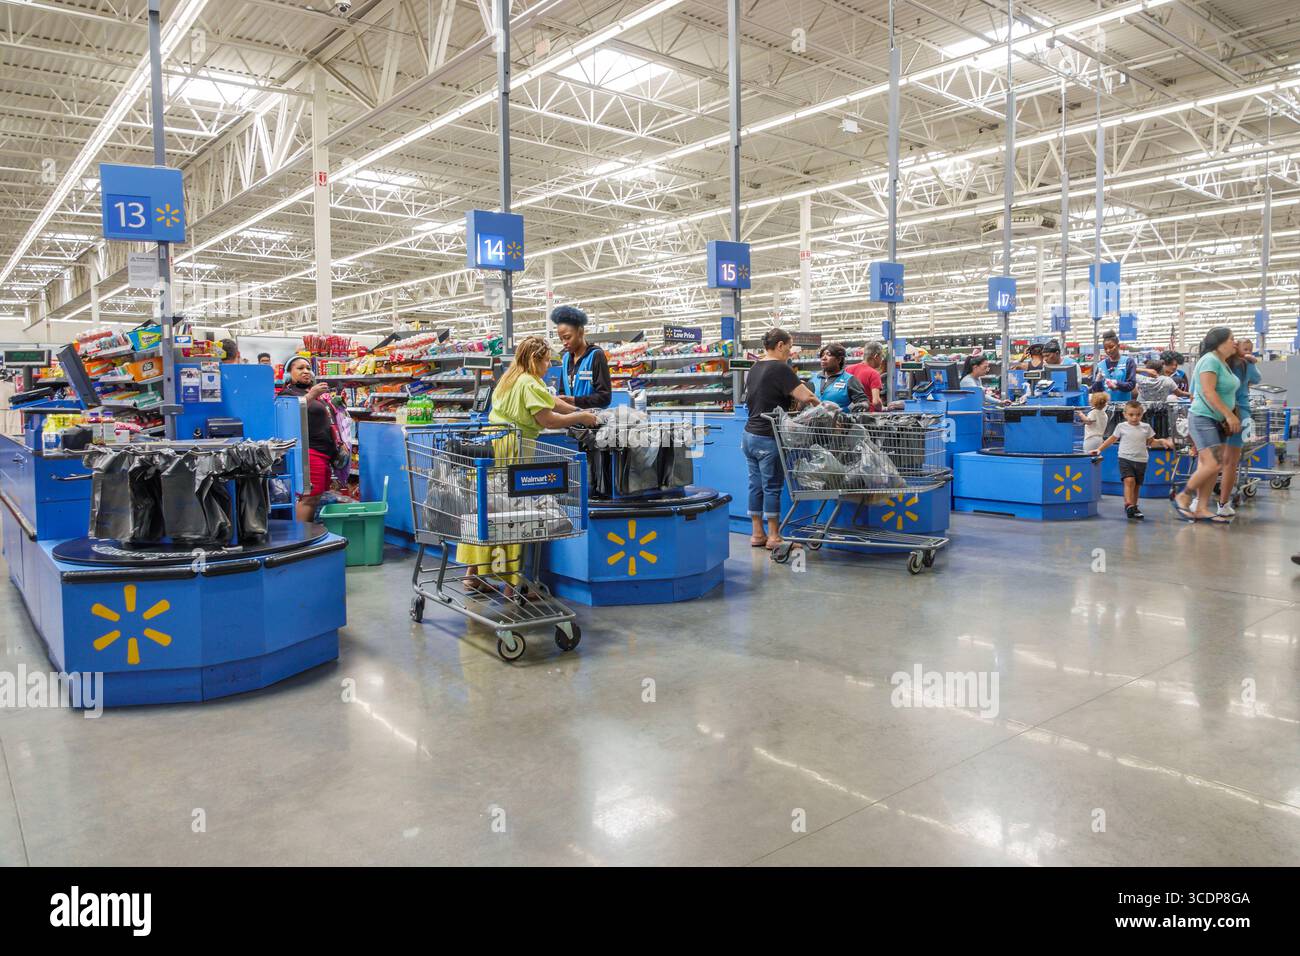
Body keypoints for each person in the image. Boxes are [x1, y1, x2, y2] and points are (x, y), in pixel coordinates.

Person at [458, 336, 597, 594]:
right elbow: (547, 419)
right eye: (546, 361)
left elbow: (552, 402)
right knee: (514, 513)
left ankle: (472, 575)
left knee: (487, 510)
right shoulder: (529, 382)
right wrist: (581, 417)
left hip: (493, 446)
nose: (548, 366)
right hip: (514, 450)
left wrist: (577, 409)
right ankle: (513, 584)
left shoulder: (510, 378)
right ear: (534, 359)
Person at [742, 328, 816, 550]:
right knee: (772, 486)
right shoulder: (780, 368)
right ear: (780, 345)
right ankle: (774, 537)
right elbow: (807, 395)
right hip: (768, 436)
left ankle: (757, 534)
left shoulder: (755, 367)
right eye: (790, 346)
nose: (790, 351)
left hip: (749, 436)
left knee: (755, 485)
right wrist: (824, 409)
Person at [1171, 327, 1240, 522]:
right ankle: (1183, 496)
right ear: (1219, 342)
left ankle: (1201, 507)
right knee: (1213, 463)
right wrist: (1229, 415)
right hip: (1204, 418)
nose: (1235, 342)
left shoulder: (1222, 363)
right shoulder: (1210, 360)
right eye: (1232, 339)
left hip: (1217, 421)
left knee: (1212, 465)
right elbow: (1209, 392)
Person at [279, 356, 338, 523]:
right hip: (309, 452)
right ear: (288, 374)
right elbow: (289, 414)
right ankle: (300, 537)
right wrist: (312, 395)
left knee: (316, 497)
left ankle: (308, 533)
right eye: (299, 368)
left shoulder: (313, 393)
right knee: (308, 498)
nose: (305, 371)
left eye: (308, 368)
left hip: (323, 453)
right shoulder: (288, 393)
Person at [1094, 399, 1174, 520]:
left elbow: (1151, 443)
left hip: (1141, 460)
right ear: (1125, 414)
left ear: (1142, 414)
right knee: (1129, 480)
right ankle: (1128, 505)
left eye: (1138, 414)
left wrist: (1162, 441)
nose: (1134, 417)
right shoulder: (1121, 427)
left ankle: (1134, 507)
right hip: (1125, 458)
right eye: (1131, 415)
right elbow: (1111, 439)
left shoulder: (1146, 428)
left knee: (1136, 485)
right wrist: (1099, 449)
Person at [1216, 337, 1262, 519]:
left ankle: (1198, 500)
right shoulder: (1246, 365)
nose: (1249, 351)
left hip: (1217, 413)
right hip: (1240, 414)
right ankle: (1223, 504)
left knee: (1212, 462)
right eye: (1245, 347)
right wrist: (1251, 362)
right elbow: (1258, 378)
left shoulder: (1219, 363)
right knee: (1230, 463)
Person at [551, 305, 611, 409]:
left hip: (593, 420)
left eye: (567, 337)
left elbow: (605, 397)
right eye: (561, 339)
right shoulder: (565, 359)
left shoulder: (596, 355)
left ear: (580, 332)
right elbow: (562, 391)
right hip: (571, 419)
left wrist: (575, 401)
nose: (564, 343)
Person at [810, 343, 866, 410]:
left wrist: (862, 405)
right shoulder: (814, 379)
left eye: (828, 355)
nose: (823, 358)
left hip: (840, 420)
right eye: (822, 355)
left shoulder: (849, 380)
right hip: (814, 419)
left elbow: (863, 400)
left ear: (839, 360)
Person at [846, 341, 885, 410]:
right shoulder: (874, 374)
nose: (882, 360)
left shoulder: (848, 369)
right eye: (881, 356)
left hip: (850, 413)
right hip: (868, 415)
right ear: (876, 356)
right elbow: (876, 401)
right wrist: (882, 408)